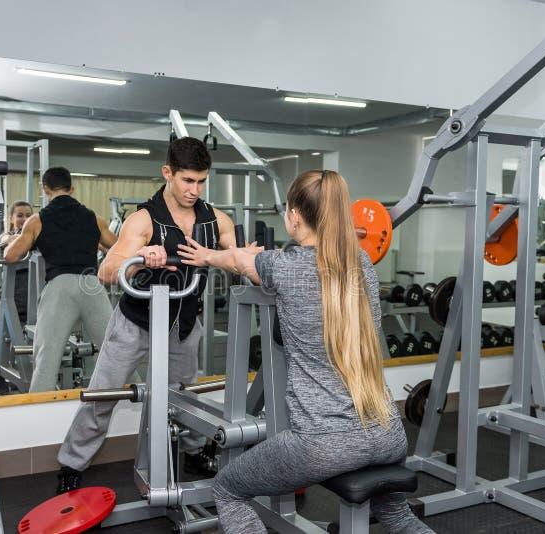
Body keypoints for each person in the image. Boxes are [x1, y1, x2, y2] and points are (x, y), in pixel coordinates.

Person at [178, 170, 434, 534]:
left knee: (227, 488)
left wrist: (207, 256)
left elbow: (239, 262)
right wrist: (243, 256)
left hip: (323, 444)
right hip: (388, 434)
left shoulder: (286, 266)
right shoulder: (362, 263)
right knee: (398, 516)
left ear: (295, 215)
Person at [55, 136, 238, 494]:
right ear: (168, 173)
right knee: (103, 395)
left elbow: (238, 260)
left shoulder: (216, 220)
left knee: (184, 397)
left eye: (201, 181)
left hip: (184, 324)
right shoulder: (143, 219)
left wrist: (237, 257)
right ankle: (71, 464)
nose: (194, 190)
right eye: (187, 180)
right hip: (136, 320)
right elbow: (107, 272)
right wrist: (140, 259)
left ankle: (194, 452)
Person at [4, 167, 117, 392]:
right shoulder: (94, 218)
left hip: (60, 287)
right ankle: (139, 402)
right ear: (71, 189)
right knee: (115, 351)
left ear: (45, 189)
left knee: (46, 359)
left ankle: (38, 409)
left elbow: (11, 256)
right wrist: (93, 243)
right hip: (91, 285)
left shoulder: (37, 221)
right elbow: (119, 247)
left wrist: (11, 240)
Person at [0, 200, 33, 394]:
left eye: (28, 215)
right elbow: (6, 240)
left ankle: (25, 375)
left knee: (30, 341)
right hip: (8, 296)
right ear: (11, 218)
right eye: (20, 215)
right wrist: (29, 238)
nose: (24, 218)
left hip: (33, 297)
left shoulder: (36, 238)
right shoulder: (6, 237)